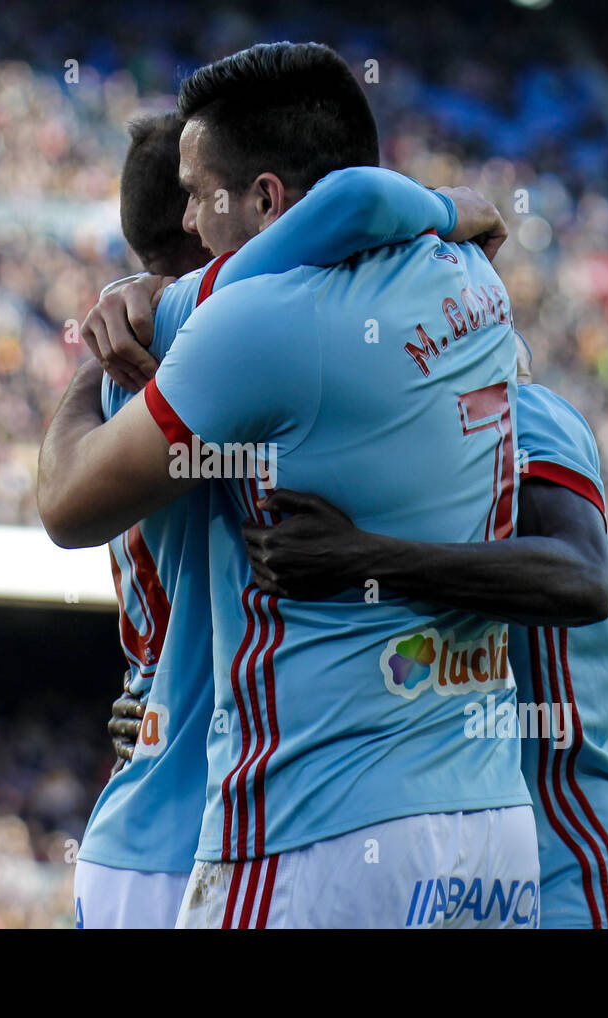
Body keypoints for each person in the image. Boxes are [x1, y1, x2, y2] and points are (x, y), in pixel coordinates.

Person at [41, 42, 536, 928]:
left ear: (265, 199)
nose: (192, 227)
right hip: (488, 824)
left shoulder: (245, 325)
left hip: (314, 824)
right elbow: (362, 200)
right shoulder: (472, 281)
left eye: (200, 196)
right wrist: (452, 205)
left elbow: (66, 506)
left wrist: (101, 342)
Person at [240, 336, 608, 928]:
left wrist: (361, 556)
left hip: (572, 866)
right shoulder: (422, 456)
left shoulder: (522, 409)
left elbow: (582, 580)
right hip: (467, 858)